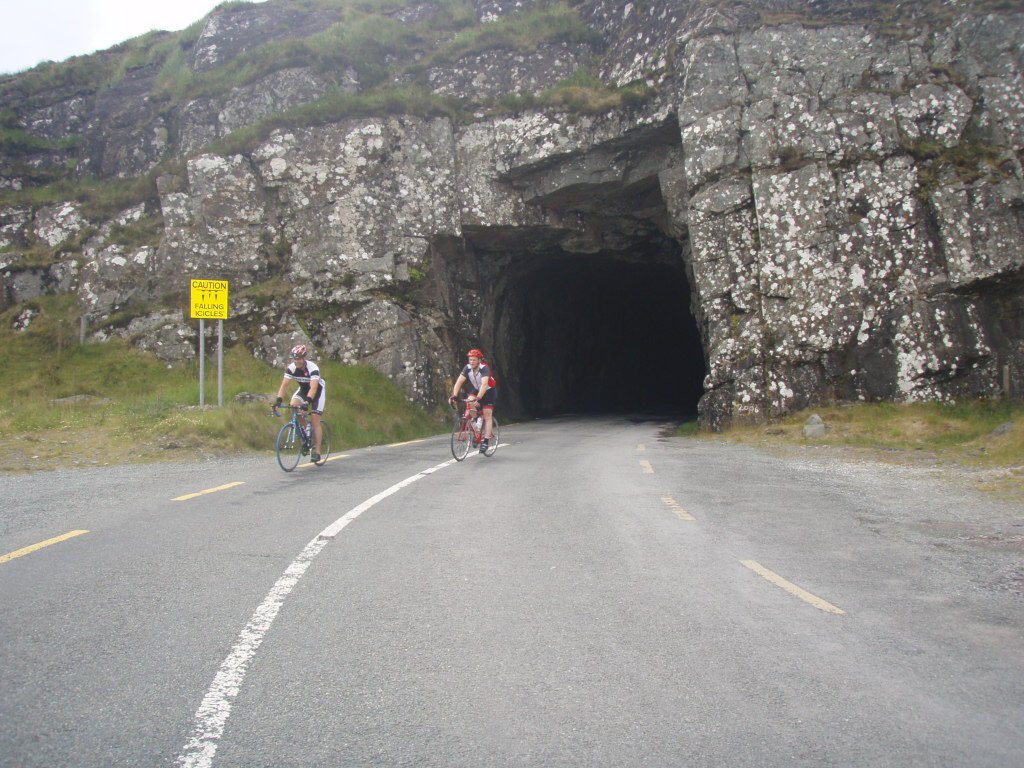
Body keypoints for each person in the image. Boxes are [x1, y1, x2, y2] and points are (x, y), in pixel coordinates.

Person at [275, 344, 326, 462]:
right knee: (293, 406)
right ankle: (305, 426)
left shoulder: (313, 368)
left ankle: (317, 452)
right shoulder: (292, 368)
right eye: (294, 358)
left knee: (315, 419)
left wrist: (306, 403)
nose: (296, 361)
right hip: (303, 390)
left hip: (317, 392)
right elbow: (284, 385)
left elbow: (313, 388)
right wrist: (278, 401)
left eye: (298, 358)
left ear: (304, 358)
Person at [448, 348, 496, 453]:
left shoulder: (484, 368)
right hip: (476, 388)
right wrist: (454, 395)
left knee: (487, 415)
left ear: (479, 360)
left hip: (488, 390)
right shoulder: (467, 368)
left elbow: (484, 385)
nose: (471, 362)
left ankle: (486, 441)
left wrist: (478, 398)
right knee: (469, 403)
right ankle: (477, 427)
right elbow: (459, 382)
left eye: (474, 360)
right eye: (470, 359)